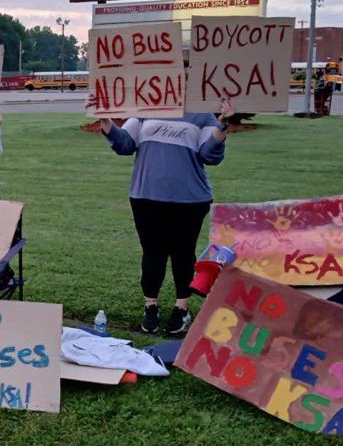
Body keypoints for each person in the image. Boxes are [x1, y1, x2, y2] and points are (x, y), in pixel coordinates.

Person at [85, 93, 234, 334]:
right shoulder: (144, 109)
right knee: (152, 252)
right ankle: (150, 307)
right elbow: (124, 144)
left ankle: (181, 308)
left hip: (190, 199)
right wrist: (105, 120)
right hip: (146, 197)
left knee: (183, 254)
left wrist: (222, 124)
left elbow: (210, 155)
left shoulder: (201, 114)